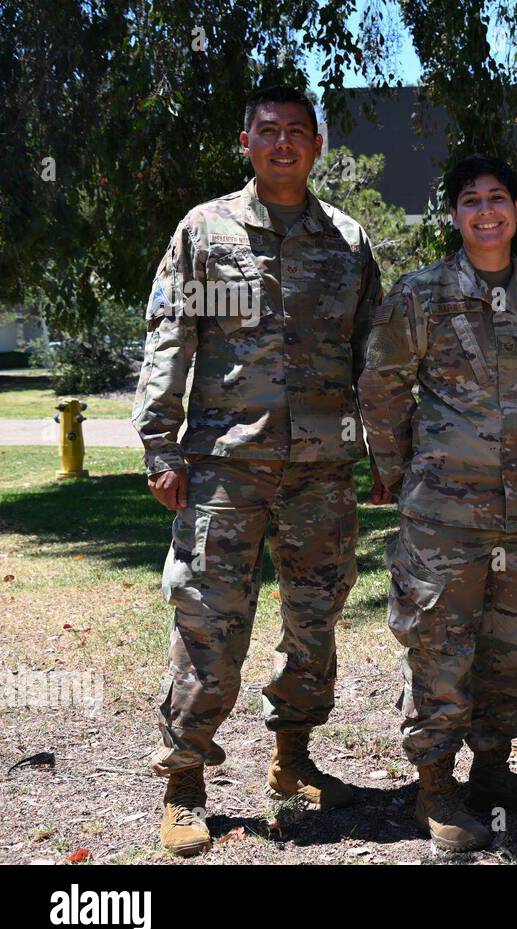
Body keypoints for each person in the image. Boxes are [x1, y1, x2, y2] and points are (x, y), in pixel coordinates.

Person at [132, 84, 381, 856]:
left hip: (320, 471)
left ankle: (290, 760)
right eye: (268, 132)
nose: (282, 144)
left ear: (316, 146)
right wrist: (159, 444)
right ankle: (183, 782)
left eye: (297, 133)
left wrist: (384, 451)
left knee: (314, 624)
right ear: (246, 142)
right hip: (224, 469)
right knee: (209, 625)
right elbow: (170, 334)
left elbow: (372, 357)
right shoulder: (205, 232)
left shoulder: (347, 238)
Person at [358, 155, 517, 852]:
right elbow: (382, 388)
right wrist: (400, 470)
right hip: (444, 516)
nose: (486, 211)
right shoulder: (419, 296)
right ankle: (435, 789)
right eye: (470, 200)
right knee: (439, 648)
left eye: (498, 198)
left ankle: (492, 771)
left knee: (514, 650)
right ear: (454, 216)